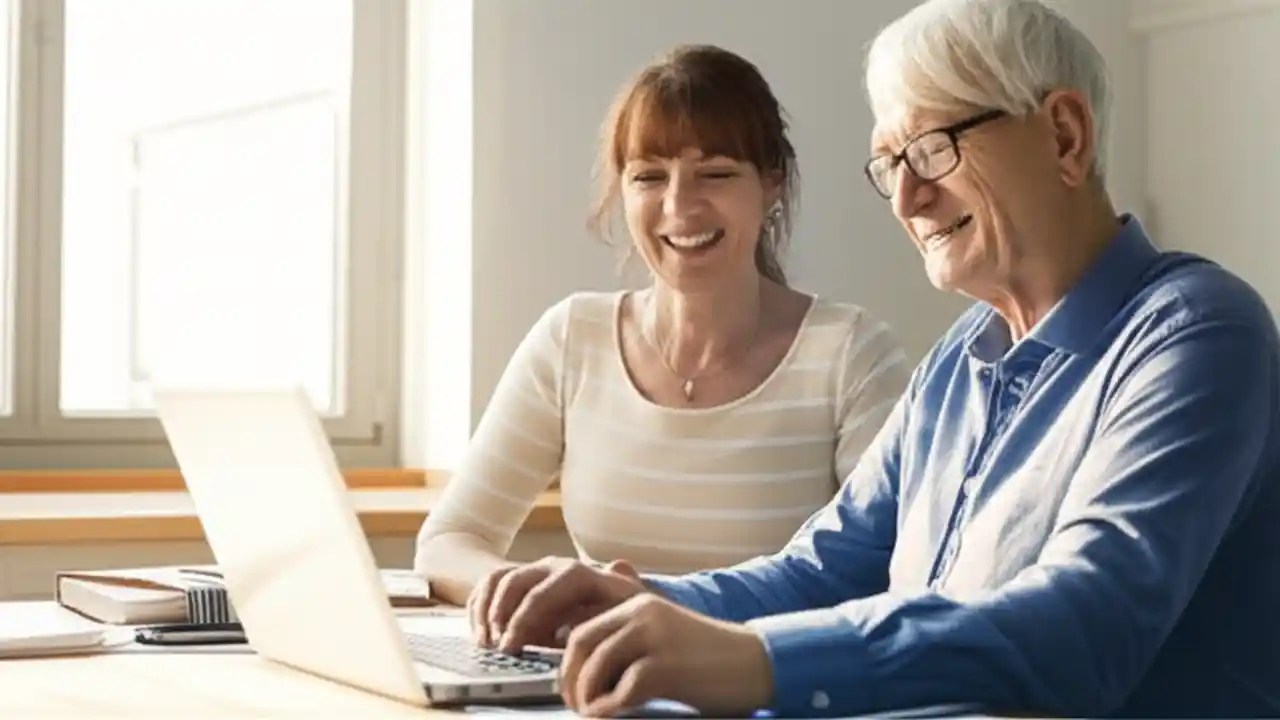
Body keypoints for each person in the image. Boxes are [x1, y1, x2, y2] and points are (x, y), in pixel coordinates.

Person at [468, 1, 1280, 717]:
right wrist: (635, 599)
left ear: (1063, 136)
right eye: (890, 165)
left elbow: (1084, 627)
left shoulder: (1197, 334)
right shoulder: (960, 360)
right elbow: (824, 570)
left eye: (931, 149)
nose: (906, 198)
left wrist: (756, 663)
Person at [414, 46, 909, 617]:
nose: (680, 206)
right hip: (594, 688)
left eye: (716, 174)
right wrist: (522, 593)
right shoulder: (573, 338)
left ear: (771, 184)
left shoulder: (852, 355)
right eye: (649, 177)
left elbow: (885, 574)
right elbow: (450, 540)